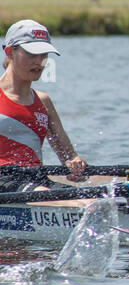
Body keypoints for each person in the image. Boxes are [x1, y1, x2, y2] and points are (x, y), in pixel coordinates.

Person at [0, 20, 87, 191]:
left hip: (36, 178)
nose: (40, 62)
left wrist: (76, 166)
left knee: (91, 200)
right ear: (10, 52)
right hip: (4, 181)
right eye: (32, 54)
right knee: (68, 201)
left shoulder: (43, 101)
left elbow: (68, 157)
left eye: (44, 55)